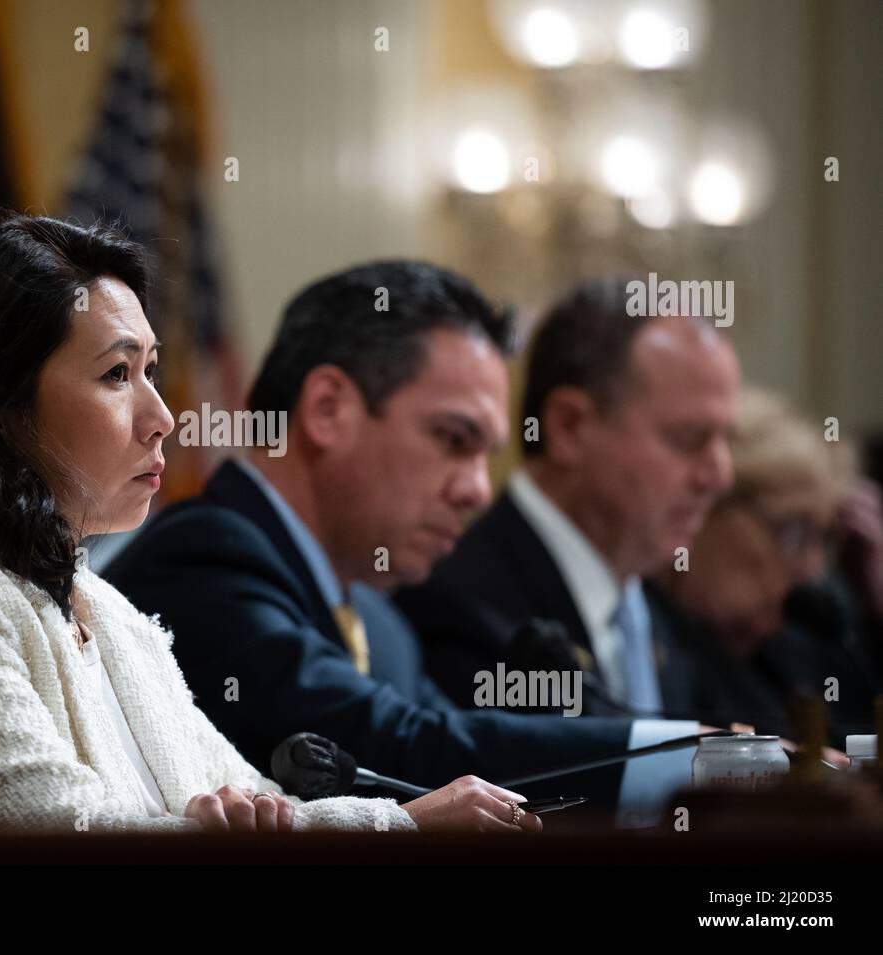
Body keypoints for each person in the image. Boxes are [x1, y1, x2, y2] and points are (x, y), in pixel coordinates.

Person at [0, 211, 539, 836]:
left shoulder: (105, 610)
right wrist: (402, 824)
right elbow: (70, 830)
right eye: (118, 375)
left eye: (152, 369)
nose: (162, 416)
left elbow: (261, 803)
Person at [105, 262, 702, 822]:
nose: (476, 490)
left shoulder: (377, 619)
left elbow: (451, 744)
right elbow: (398, 746)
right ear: (328, 409)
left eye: (485, 455)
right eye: (452, 439)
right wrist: (685, 757)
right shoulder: (203, 555)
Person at [394, 278, 740, 720]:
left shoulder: (669, 613)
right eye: (689, 439)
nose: (721, 476)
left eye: (727, 440)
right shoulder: (457, 610)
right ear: (569, 427)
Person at [648, 388, 883, 744]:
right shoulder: (637, 640)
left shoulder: (798, 649)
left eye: (823, 540)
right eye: (792, 531)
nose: (811, 568)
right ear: (705, 504)